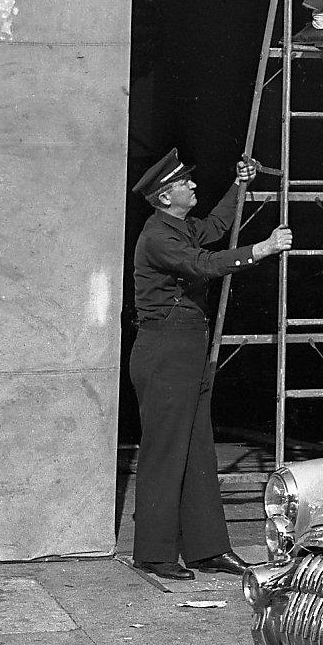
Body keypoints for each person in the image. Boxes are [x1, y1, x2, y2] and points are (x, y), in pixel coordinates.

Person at [128, 149, 291, 581]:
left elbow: (216, 227)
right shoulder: (160, 237)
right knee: (165, 451)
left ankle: (207, 549)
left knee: (198, 448)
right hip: (164, 351)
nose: (193, 186)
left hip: (185, 348)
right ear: (165, 197)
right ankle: (154, 553)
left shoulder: (178, 227)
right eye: (185, 183)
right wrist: (263, 248)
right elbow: (202, 263)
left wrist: (240, 184)